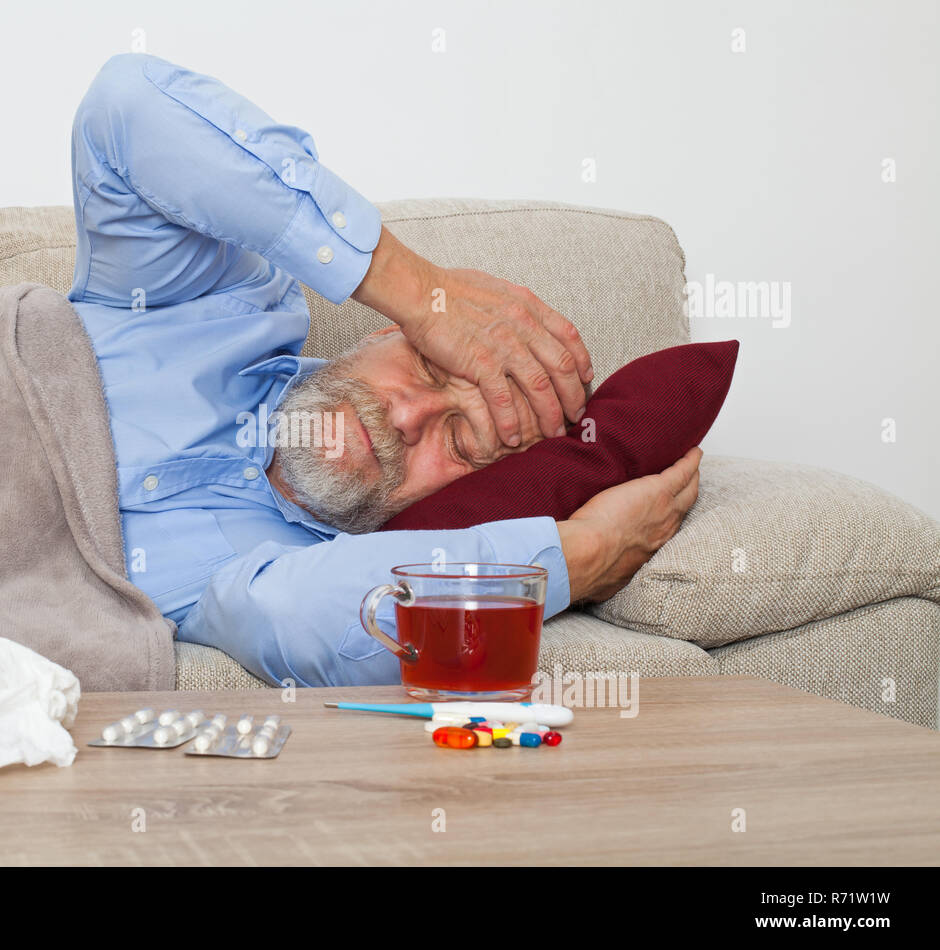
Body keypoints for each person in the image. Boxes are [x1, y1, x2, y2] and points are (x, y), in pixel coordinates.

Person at [70, 53, 701, 686]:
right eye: (429, 367)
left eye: (459, 442)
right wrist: (421, 288)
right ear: (387, 329)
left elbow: (299, 616)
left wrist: (581, 555)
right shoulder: (214, 305)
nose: (405, 416)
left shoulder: (286, 573)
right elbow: (125, 106)